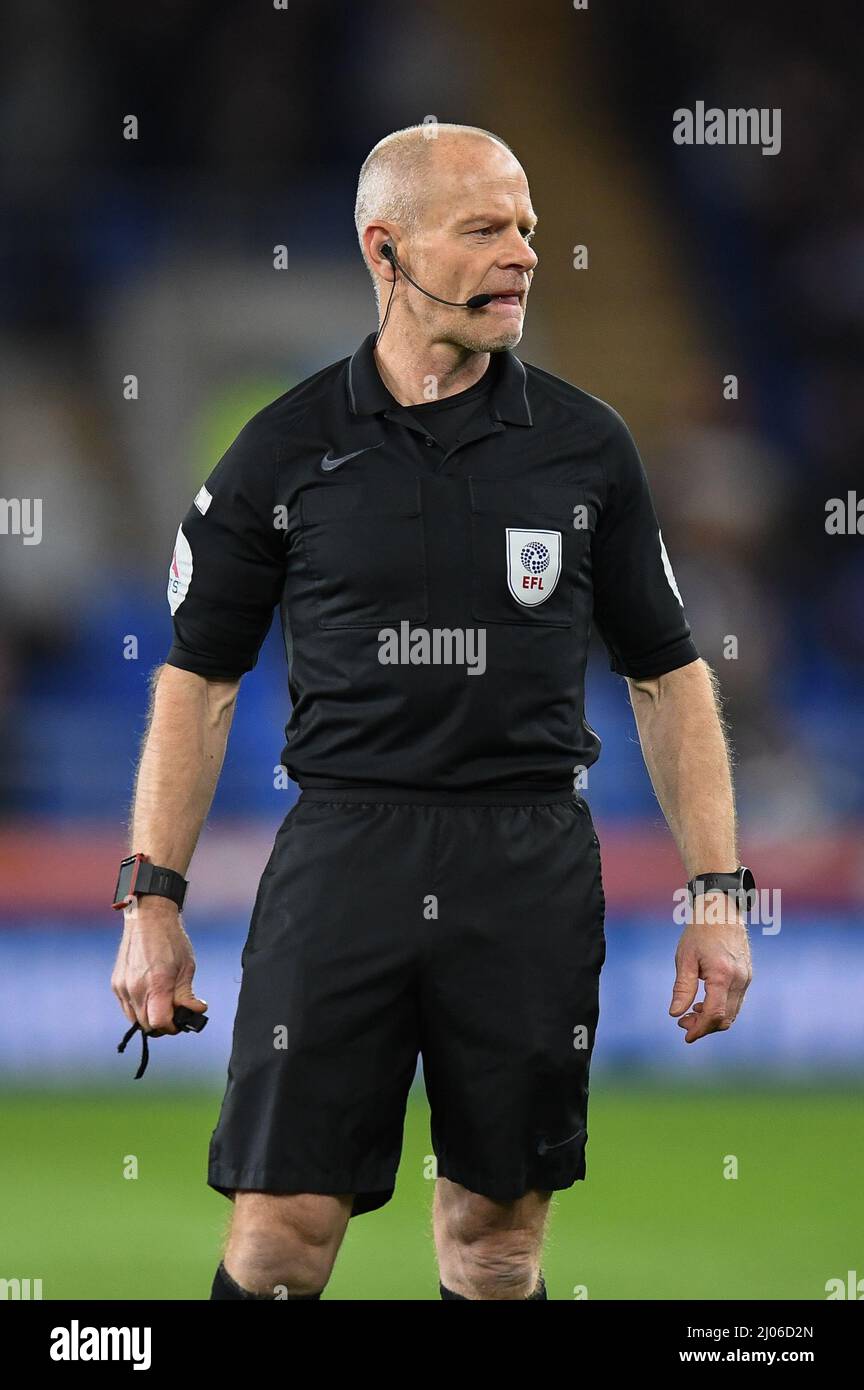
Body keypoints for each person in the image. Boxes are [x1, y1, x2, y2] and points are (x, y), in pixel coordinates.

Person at [111, 123, 753, 1301]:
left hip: (528, 862)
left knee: (498, 1243)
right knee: (279, 1241)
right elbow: (198, 682)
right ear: (387, 248)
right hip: (345, 853)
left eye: (528, 228)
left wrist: (717, 893)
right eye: (487, 228)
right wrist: (149, 899)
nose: (522, 254)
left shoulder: (586, 447)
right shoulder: (281, 450)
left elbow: (668, 676)